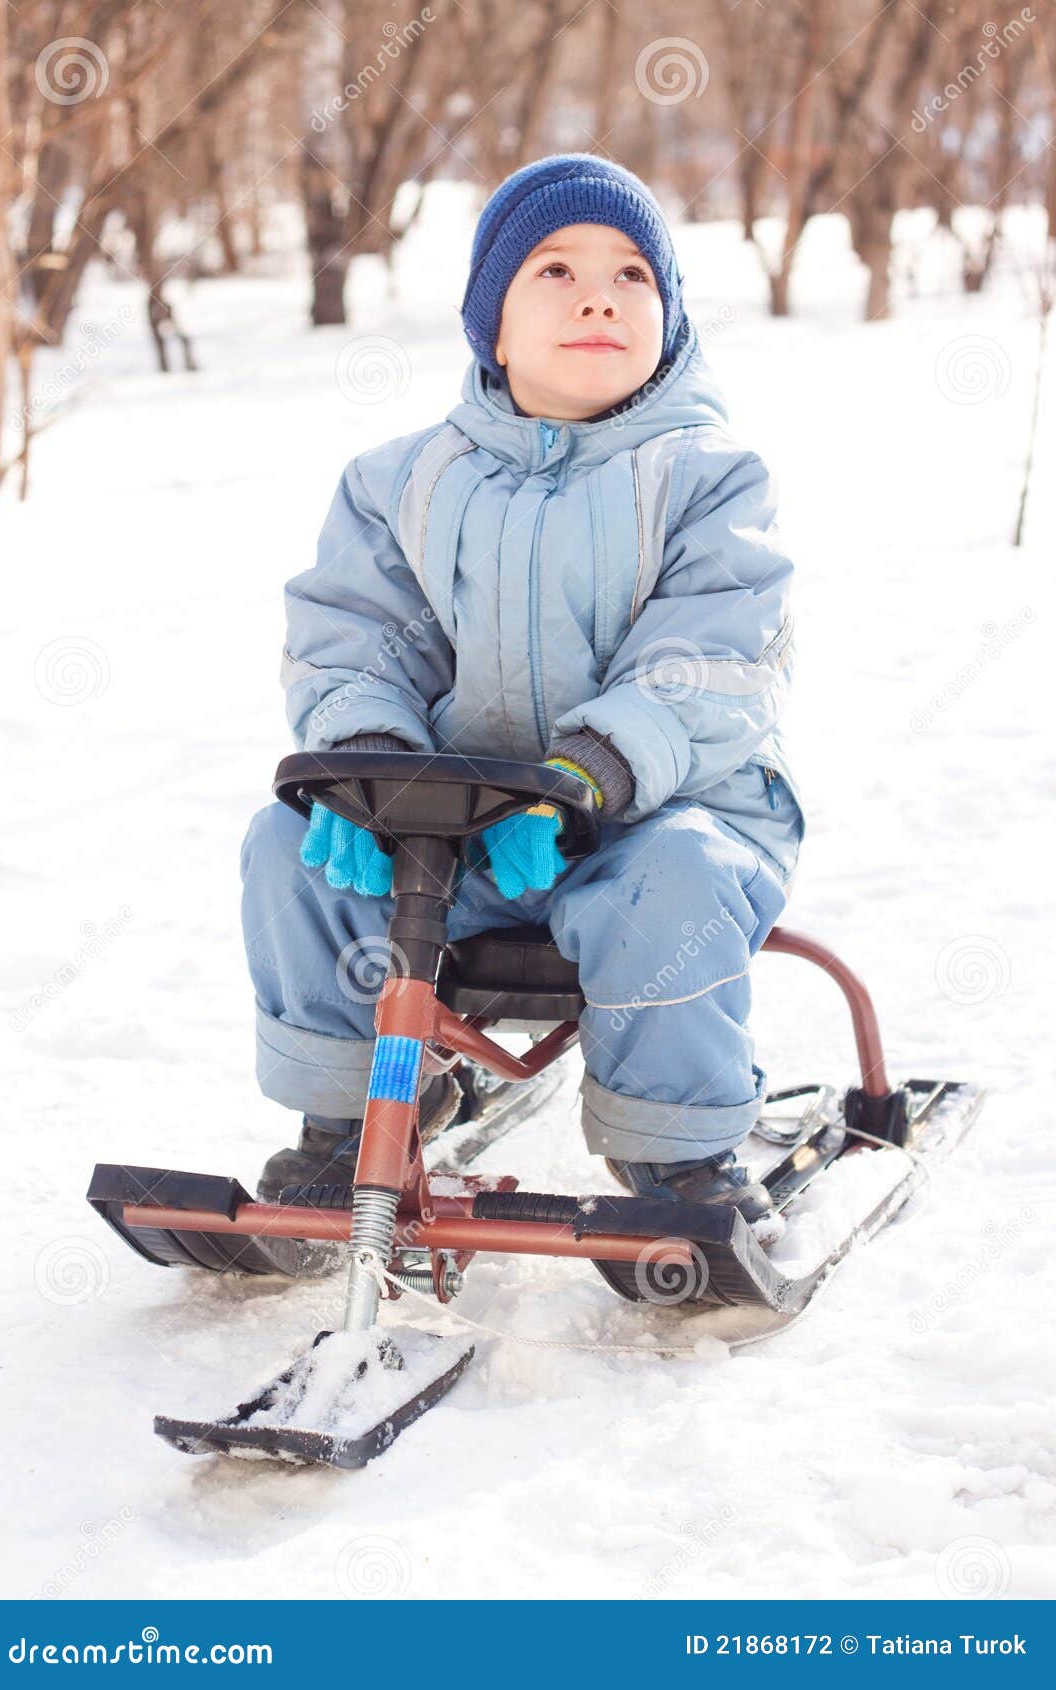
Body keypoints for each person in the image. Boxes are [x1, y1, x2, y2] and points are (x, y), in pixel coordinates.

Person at [241, 153, 805, 1229]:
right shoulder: (397, 484)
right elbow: (351, 640)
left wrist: (586, 771)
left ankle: (675, 1155)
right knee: (286, 851)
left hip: (663, 815)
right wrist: (369, 762)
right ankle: (350, 1115)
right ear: (490, 323)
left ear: (669, 319)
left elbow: (710, 656)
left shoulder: (709, 479)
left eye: (632, 274)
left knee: (671, 885)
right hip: (450, 833)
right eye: (554, 269)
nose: (598, 293)